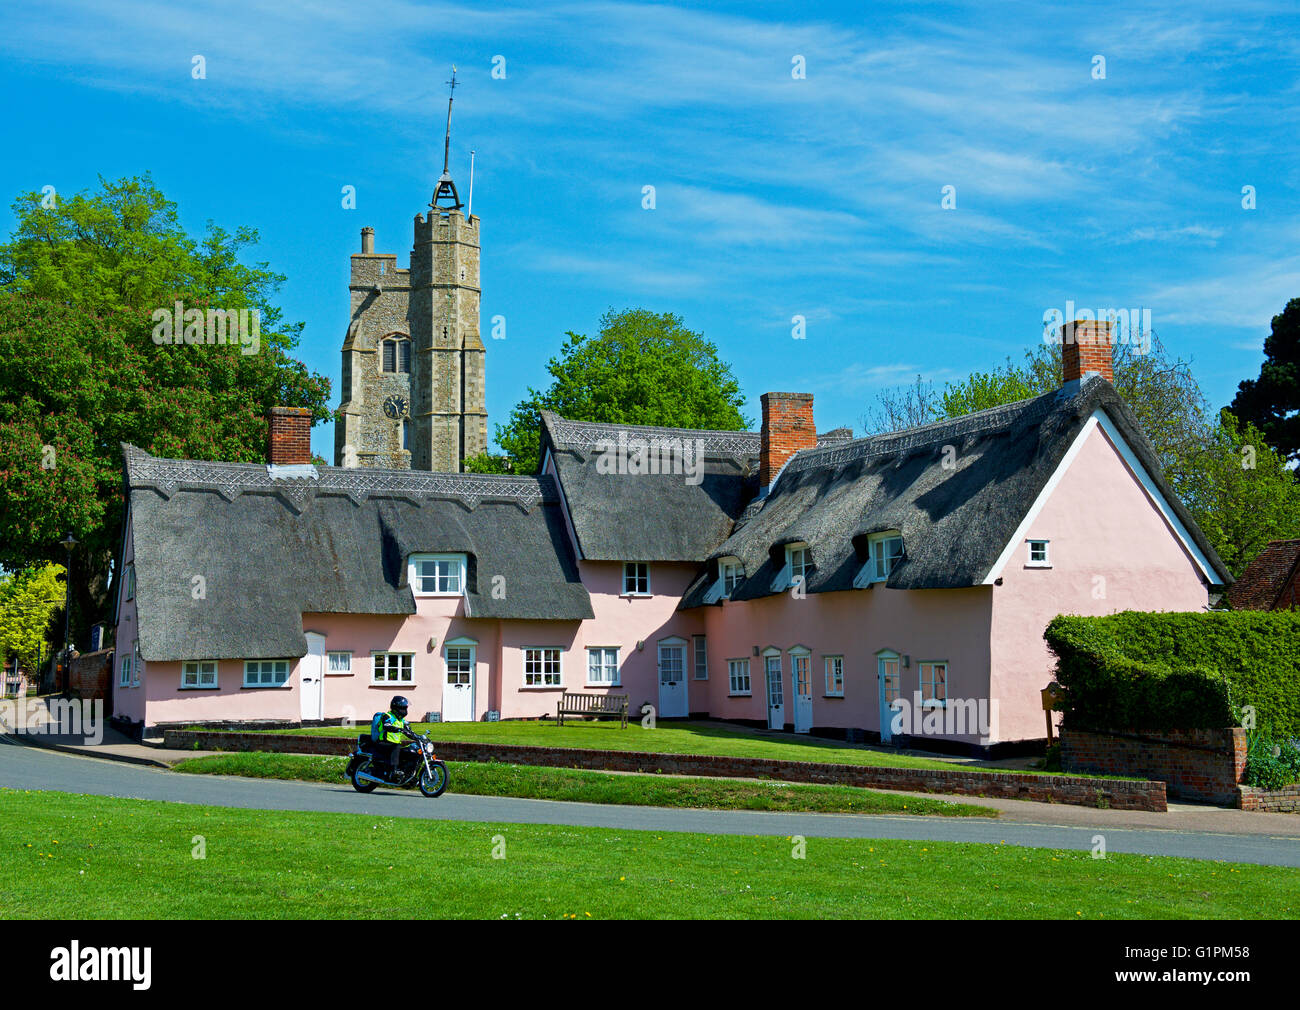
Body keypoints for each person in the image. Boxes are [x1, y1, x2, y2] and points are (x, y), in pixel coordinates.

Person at [371, 695, 412, 776]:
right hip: (383, 742)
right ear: (396, 707)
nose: (405, 710)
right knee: (396, 746)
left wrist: (418, 737)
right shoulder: (387, 716)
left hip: (392, 744)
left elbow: (408, 732)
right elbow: (387, 725)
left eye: (405, 708)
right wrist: (397, 729)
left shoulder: (401, 720)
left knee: (408, 749)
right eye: (403, 708)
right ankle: (394, 770)